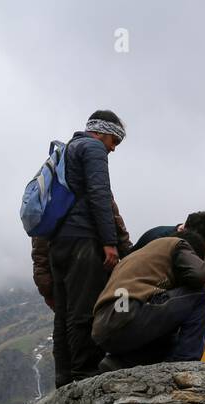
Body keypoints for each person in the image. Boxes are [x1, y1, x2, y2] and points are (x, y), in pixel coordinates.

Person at [48, 109, 128, 386]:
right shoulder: (93, 149)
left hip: (58, 243)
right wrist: (109, 242)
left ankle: (64, 376)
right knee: (84, 309)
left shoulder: (70, 148)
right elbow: (99, 195)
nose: (113, 149)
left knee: (64, 313)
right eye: (114, 141)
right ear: (102, 132)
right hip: (83, 240)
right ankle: (84, 373)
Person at [91, 229, 205, 371]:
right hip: (129, 313)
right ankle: (185, 365)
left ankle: (121, 361)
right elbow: (199, 273)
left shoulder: (136, 257)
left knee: (170, 336)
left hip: (103, 329)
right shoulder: (178, 244)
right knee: (202, 295)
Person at [131, 212, 205, 318]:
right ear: (185, 233)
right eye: (198, 248)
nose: (200, 253)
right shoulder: (157, 239)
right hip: (138, 297)